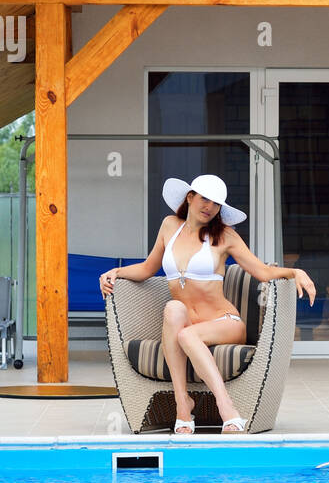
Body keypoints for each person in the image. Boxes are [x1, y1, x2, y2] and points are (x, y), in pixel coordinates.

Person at [99, 173, 315, 435]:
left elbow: (262, 272)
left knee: (186, 335)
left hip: (225, 323)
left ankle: (226, 408)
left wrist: (295, 273)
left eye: (215, 203)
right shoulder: (169, 226)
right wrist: (115, 273)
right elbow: (147, 268)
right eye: (204, 199)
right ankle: (183, 405)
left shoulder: (225, 236)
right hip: (187, 324)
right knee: (173, 309)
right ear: (190, 197)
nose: (209, 207)